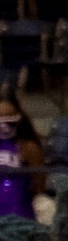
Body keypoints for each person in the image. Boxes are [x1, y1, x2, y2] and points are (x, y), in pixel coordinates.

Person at [0, 87, 45, 220]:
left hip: (20, 213)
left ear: (18, 121)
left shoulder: (29, 148)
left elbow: (39, 183)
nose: (4, 128)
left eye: (9, 123)